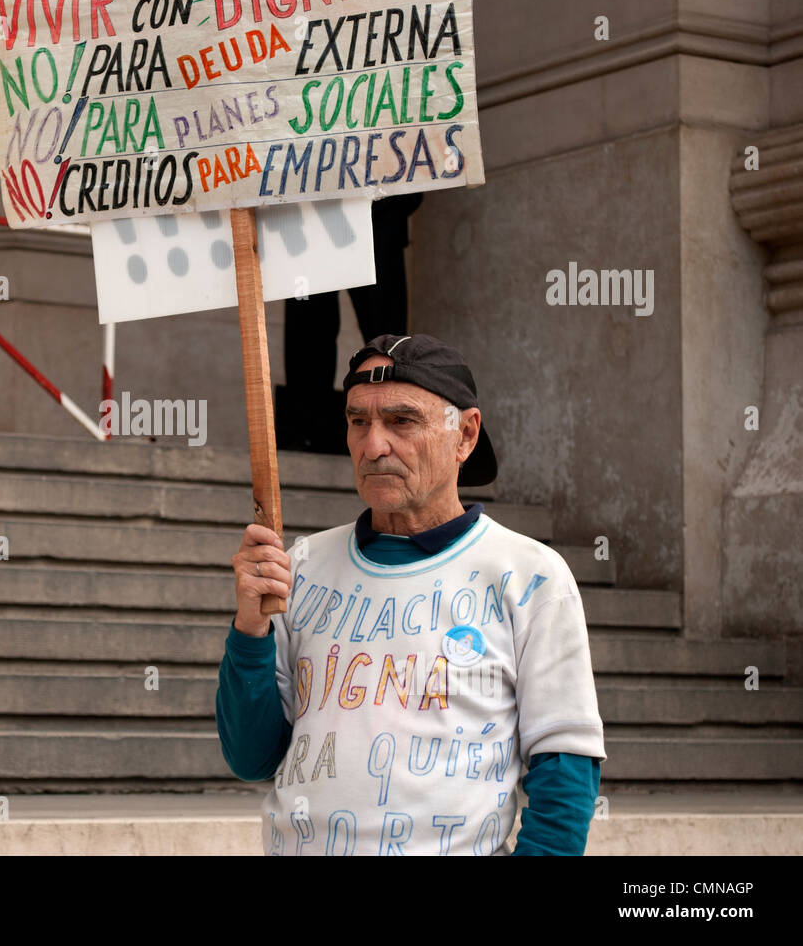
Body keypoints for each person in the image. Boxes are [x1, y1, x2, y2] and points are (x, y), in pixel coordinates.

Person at [216, 333, 607, 855]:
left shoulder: (529, 577)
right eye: (359, 422)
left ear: (465, 435)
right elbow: (251, 757)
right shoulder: (303, 565)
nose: (373, 446)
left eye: (401, 421)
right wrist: (250, 629)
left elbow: (565, 768)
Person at [279, 194, 422, 453]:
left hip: (376, 212)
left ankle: (395, 424)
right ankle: (307, 428)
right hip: (311, 217)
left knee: (386, 338)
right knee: (308, 331)